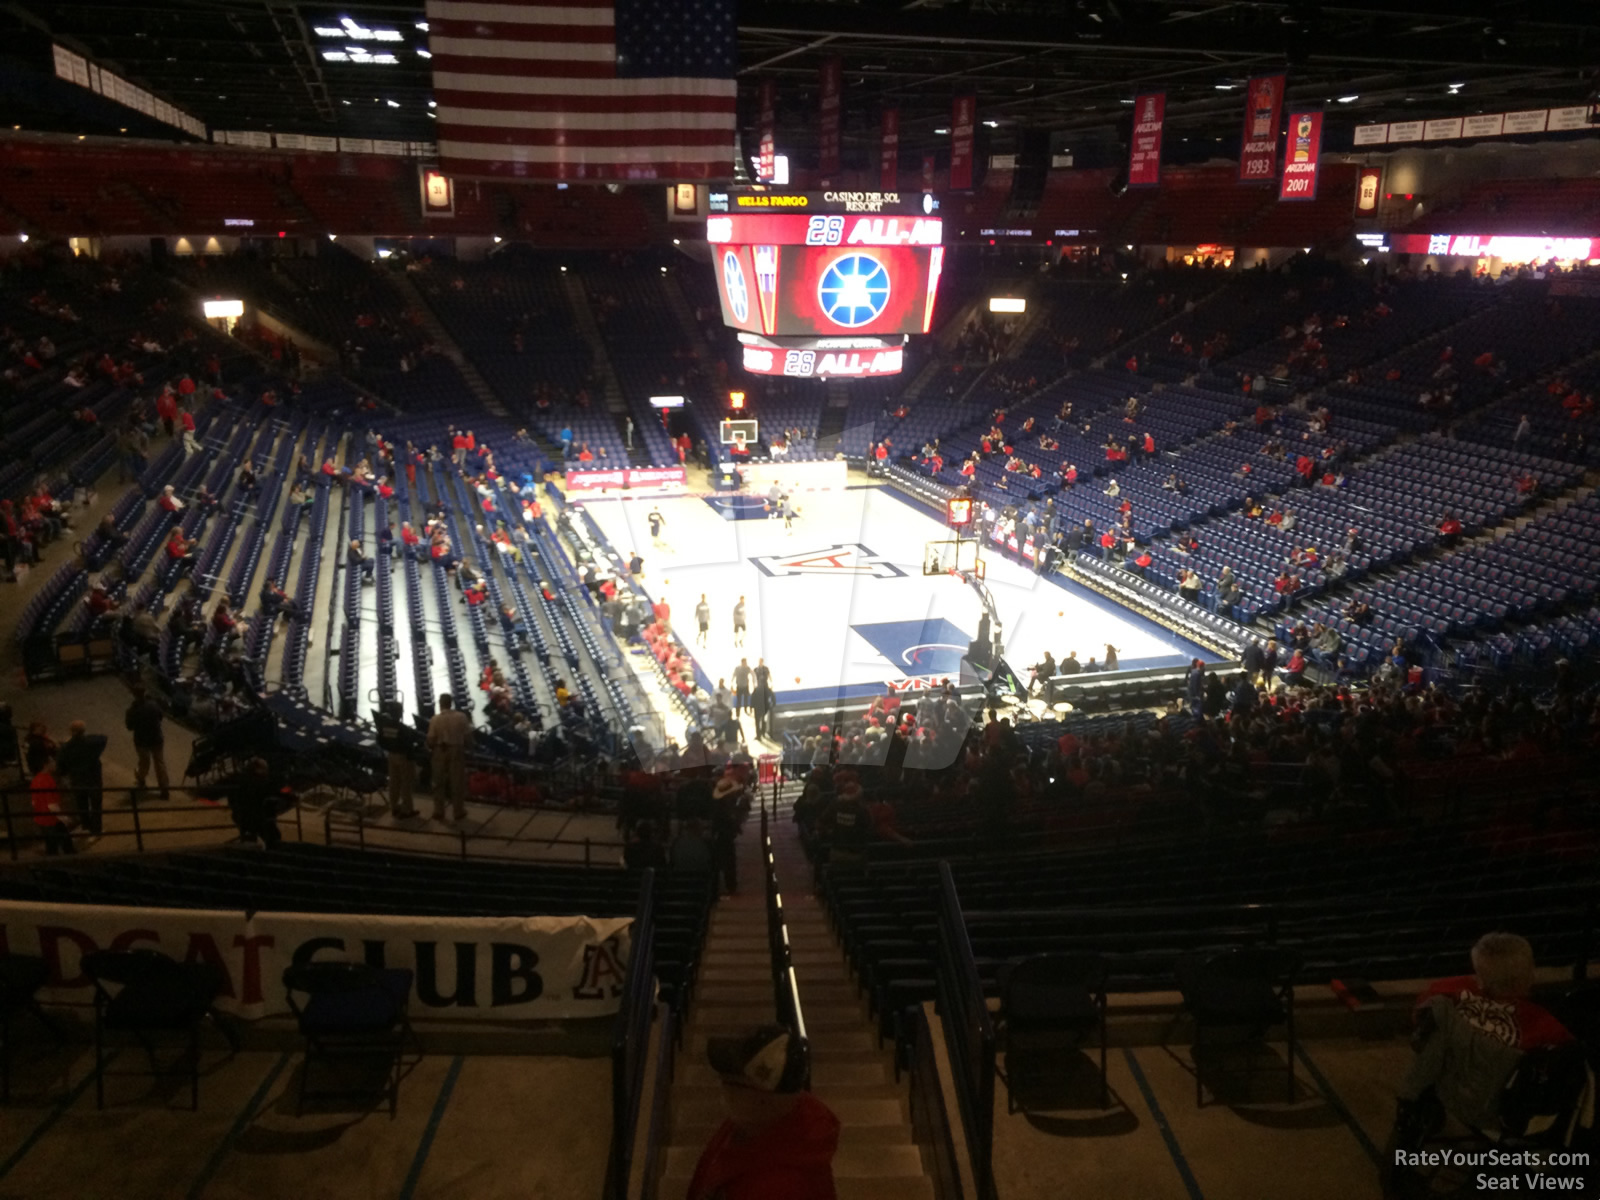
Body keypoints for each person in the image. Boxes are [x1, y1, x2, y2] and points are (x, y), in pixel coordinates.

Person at [1391, 933, 1575, 1174]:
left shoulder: (1448, 997)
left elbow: (1421, 1019)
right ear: (1531, 974)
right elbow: (1568, 1061)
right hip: (1502, 1111)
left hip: (1450, 1089)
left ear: (1478, 976)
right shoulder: (1545, 1026)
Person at [686, 1024, 839, 1200]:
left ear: (764, 1097)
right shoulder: (746, 1127)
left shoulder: (786, 1188)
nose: (724, 1090)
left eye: (732, 1084)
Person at [426, 692, 473, 823]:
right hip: (456, 750)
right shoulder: (461, 717)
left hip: (439, 750)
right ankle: (458, 811)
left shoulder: (435, 719)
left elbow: (430, 739)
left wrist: (431, 748)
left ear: (440, 704)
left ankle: (438, 811)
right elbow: (468, 737)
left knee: (438, 782)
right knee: (457, 782)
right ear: (451, 703)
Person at [55, 720, 106, 837]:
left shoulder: (66, 747)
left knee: (82, 804)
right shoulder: (91, 743)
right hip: (93, 779)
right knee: (96, 805)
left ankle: (86, 825)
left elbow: (61, 766)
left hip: (77, 779)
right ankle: (97, 829)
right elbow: (103, 738)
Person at [375, 700, 421, 818]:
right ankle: (407, 810)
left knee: (394, 783)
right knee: (406, 784)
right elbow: (409, 743)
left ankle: (394, 807)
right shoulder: (403, 729)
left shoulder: (384, 727)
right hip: (404, 758)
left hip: (391, 756)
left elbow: (380, 741)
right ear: (399, 713)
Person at [125, 685, 170, 800]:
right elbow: (160, 717)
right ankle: (164, 788)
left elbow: (129, 727)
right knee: (160, 763)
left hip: (141, 740)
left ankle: (141, 780)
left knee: (144, 762)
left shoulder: (132, 709)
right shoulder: (153, 705)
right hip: (156, 738)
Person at [229, 757, 284, 847]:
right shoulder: (259, 782)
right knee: (273, 836)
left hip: (243, 815)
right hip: (256, 817)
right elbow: (268, 795)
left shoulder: (242, 780)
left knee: (263, 834)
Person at [31, 753, 74, 856]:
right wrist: (65, 819)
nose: (55, 763)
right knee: (63, 843)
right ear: (46, 765)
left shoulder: (36, 779)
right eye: (52, 761)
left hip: (41, 819)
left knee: (52, 845)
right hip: (51, 820)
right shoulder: (48, 781)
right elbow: (52, 806)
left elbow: (33, 802)